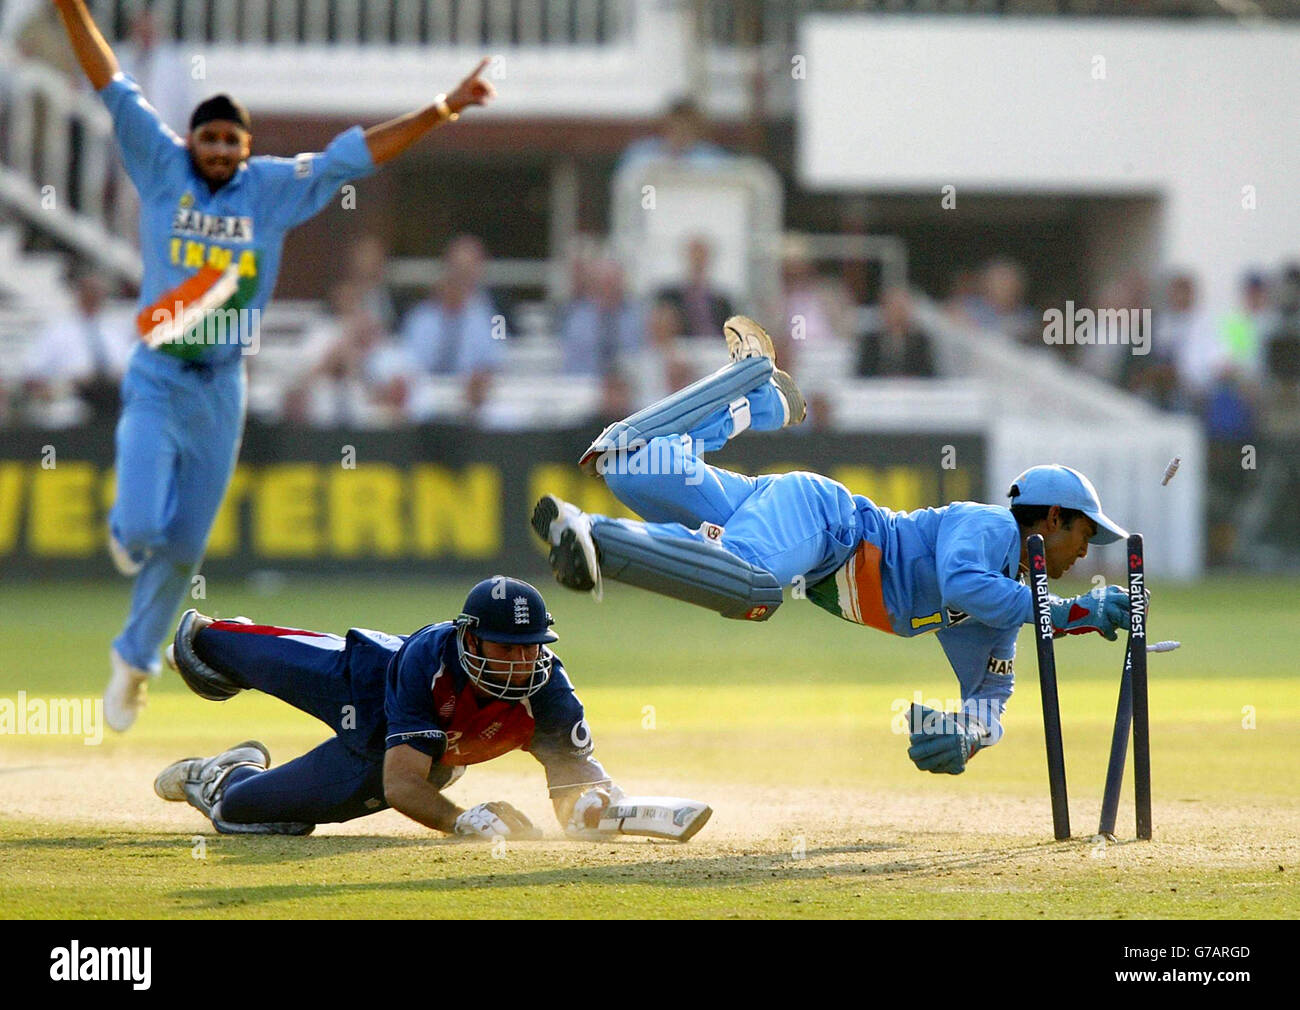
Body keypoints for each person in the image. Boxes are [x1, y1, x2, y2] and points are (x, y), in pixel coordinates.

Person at [52, 0, 496, 731]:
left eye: (232, 140)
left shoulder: (272, 186)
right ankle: (130, 555)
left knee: (187, 544)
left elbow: (358, 152)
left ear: (248, 146)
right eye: (209, 138)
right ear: (189, 139)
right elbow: (107, 75)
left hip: (222, 387)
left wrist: (445, 106)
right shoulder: (161, 163)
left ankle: (134, 660)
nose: (220, 150)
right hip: (160, 375)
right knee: (136, 530)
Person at [531, 317, 1135, 777]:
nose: (1085, 554)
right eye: (1085, 534)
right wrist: (1072, 612)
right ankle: (597, 535)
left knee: (627, 463)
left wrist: (967, 738)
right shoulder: (989, 528)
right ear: (1053, 518)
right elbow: (962, 585)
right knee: (750, 586)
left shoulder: (1002, 611)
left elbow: (991, 697)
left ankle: (752, 399)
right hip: (825, 525)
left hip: (796, 526)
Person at [153, 578, 641, 839]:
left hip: (385, 755)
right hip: (365, 682)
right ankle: (224, 644)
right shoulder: (429, 659)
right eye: (505, 648)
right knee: (201, 644)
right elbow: (403, 787)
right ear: (469, 637)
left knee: (240, 812)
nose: (521, 661)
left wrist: (593, 807)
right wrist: (461, 821)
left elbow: (402, 782)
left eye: (531, 647)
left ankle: (222, 775)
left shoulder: (551, 690)